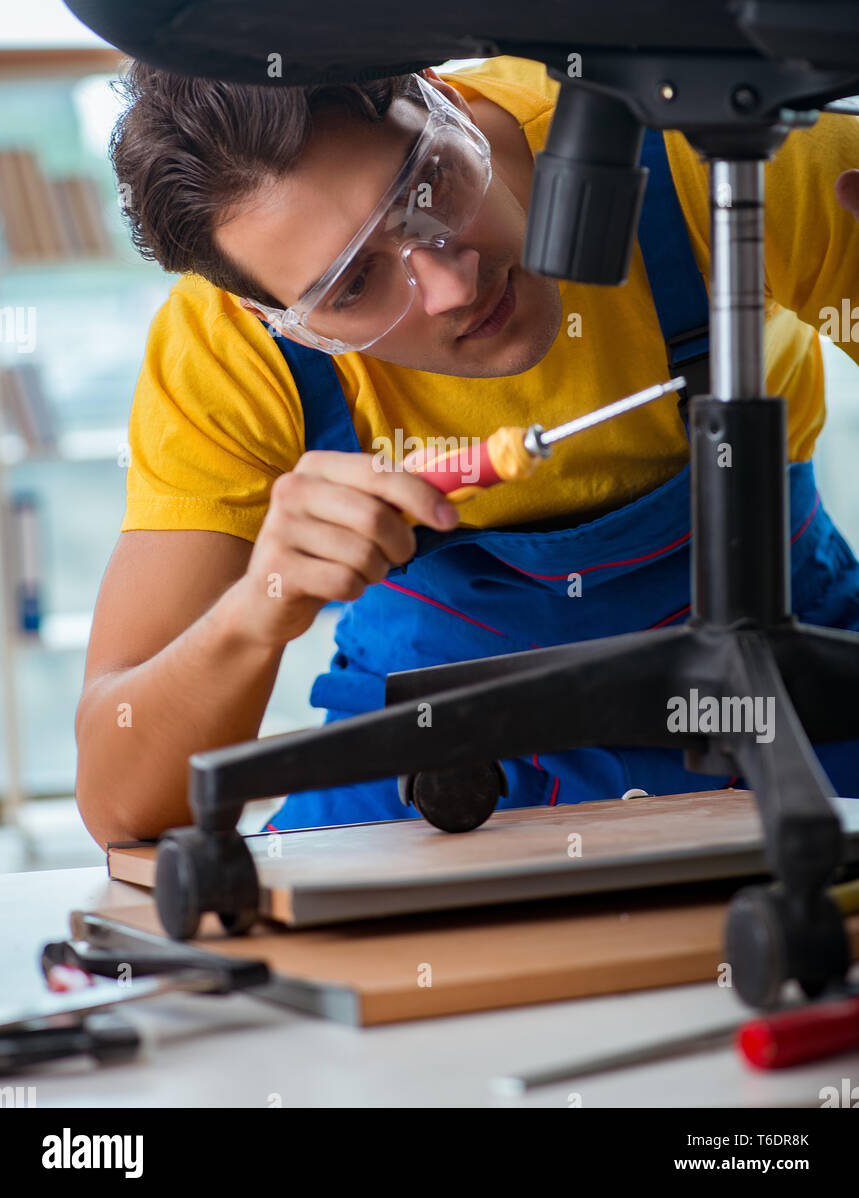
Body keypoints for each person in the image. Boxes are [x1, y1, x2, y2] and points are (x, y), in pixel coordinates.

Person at [75, 57, 859, 846]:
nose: (450, 284)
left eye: (430, 189)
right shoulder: (225, 354)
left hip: (786, 689)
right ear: (275, 319)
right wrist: (252, 614)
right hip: (432, 751)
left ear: (442, 99)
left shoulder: (718, 154)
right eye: (352, 288)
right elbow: (121, 807)